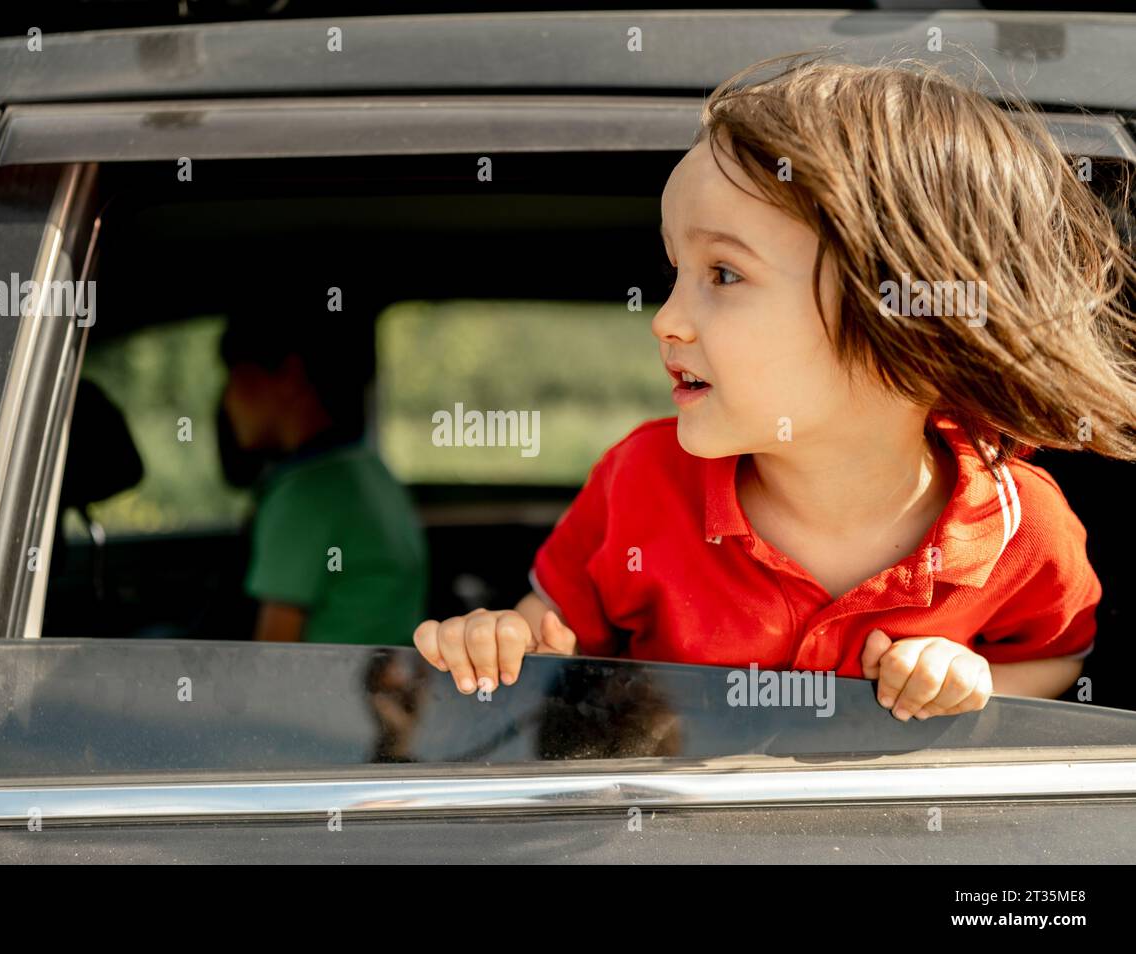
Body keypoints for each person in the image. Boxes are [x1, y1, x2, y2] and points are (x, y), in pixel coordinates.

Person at [413, 54, 1136, 721]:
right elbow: (548, 645)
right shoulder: (641, 483)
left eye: (723, 275)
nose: (666, 319)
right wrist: (496, 639)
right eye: (675, 273)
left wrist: (972, 681)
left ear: (907, 319)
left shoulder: (1020, 526)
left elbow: (1055, 656)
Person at [220, 310, 427, 645]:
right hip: (381, 685)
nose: (227, 399)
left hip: (323, 693)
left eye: (235, 377)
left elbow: (270, 658)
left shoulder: (307, 494)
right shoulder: (370, 469)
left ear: (289, 375)